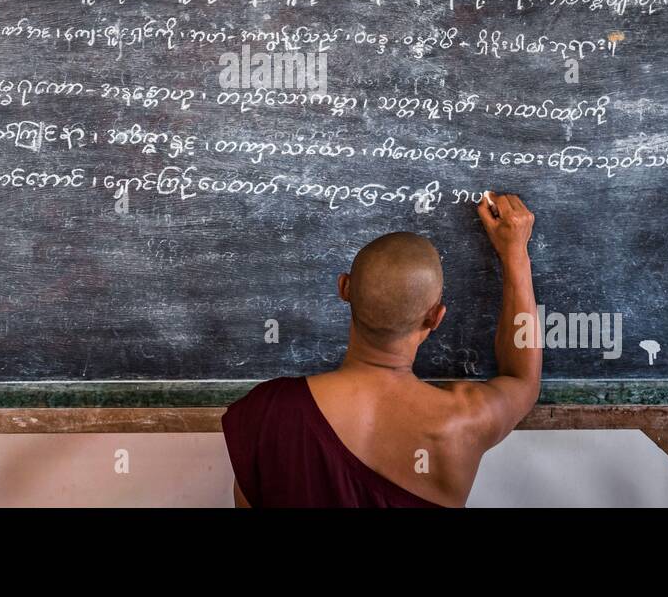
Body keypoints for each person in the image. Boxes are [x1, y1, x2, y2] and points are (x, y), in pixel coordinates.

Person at [221, 190, 541, 507]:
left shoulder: (269, 411)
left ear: (345, 287)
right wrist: (515, 255)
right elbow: (522, 381)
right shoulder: (462, 422)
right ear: (435, 317)